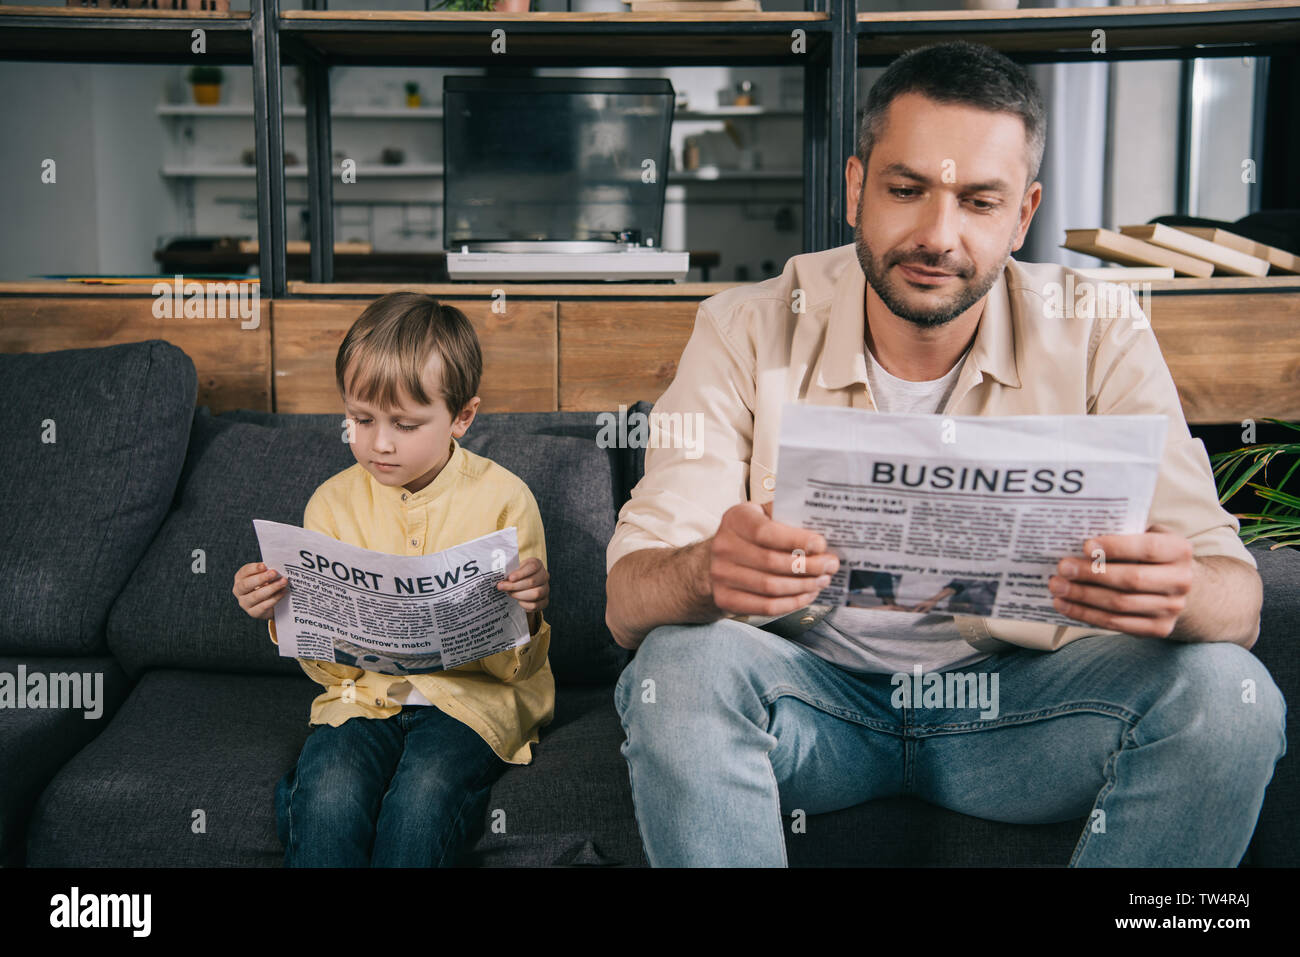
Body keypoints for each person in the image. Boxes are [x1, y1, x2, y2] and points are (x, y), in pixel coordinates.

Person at [604, 40, 1286, 867]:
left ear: (1023, 214)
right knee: (678, 664)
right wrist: (703, 571)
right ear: (856, 186)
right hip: (811, 703)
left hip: (1017, 713)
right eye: (907, 189)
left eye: (979, 201)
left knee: (1230, 695)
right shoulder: (744, 327)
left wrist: (1178, 592)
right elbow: (626, 603)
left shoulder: (1099, 326)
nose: (938, 234)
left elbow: (1237, 603)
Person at [233, 292, 553, 867]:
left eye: (404, 424)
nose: (379, 442)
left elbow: (513, 668)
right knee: (327, 800)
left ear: (463, 417)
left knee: (421, 804)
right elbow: (328, 671)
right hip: (360, 698)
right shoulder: (330, 503)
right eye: (360, 419)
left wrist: (526, 611)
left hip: (471, 702)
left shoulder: (506, 499)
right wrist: (283, 613)